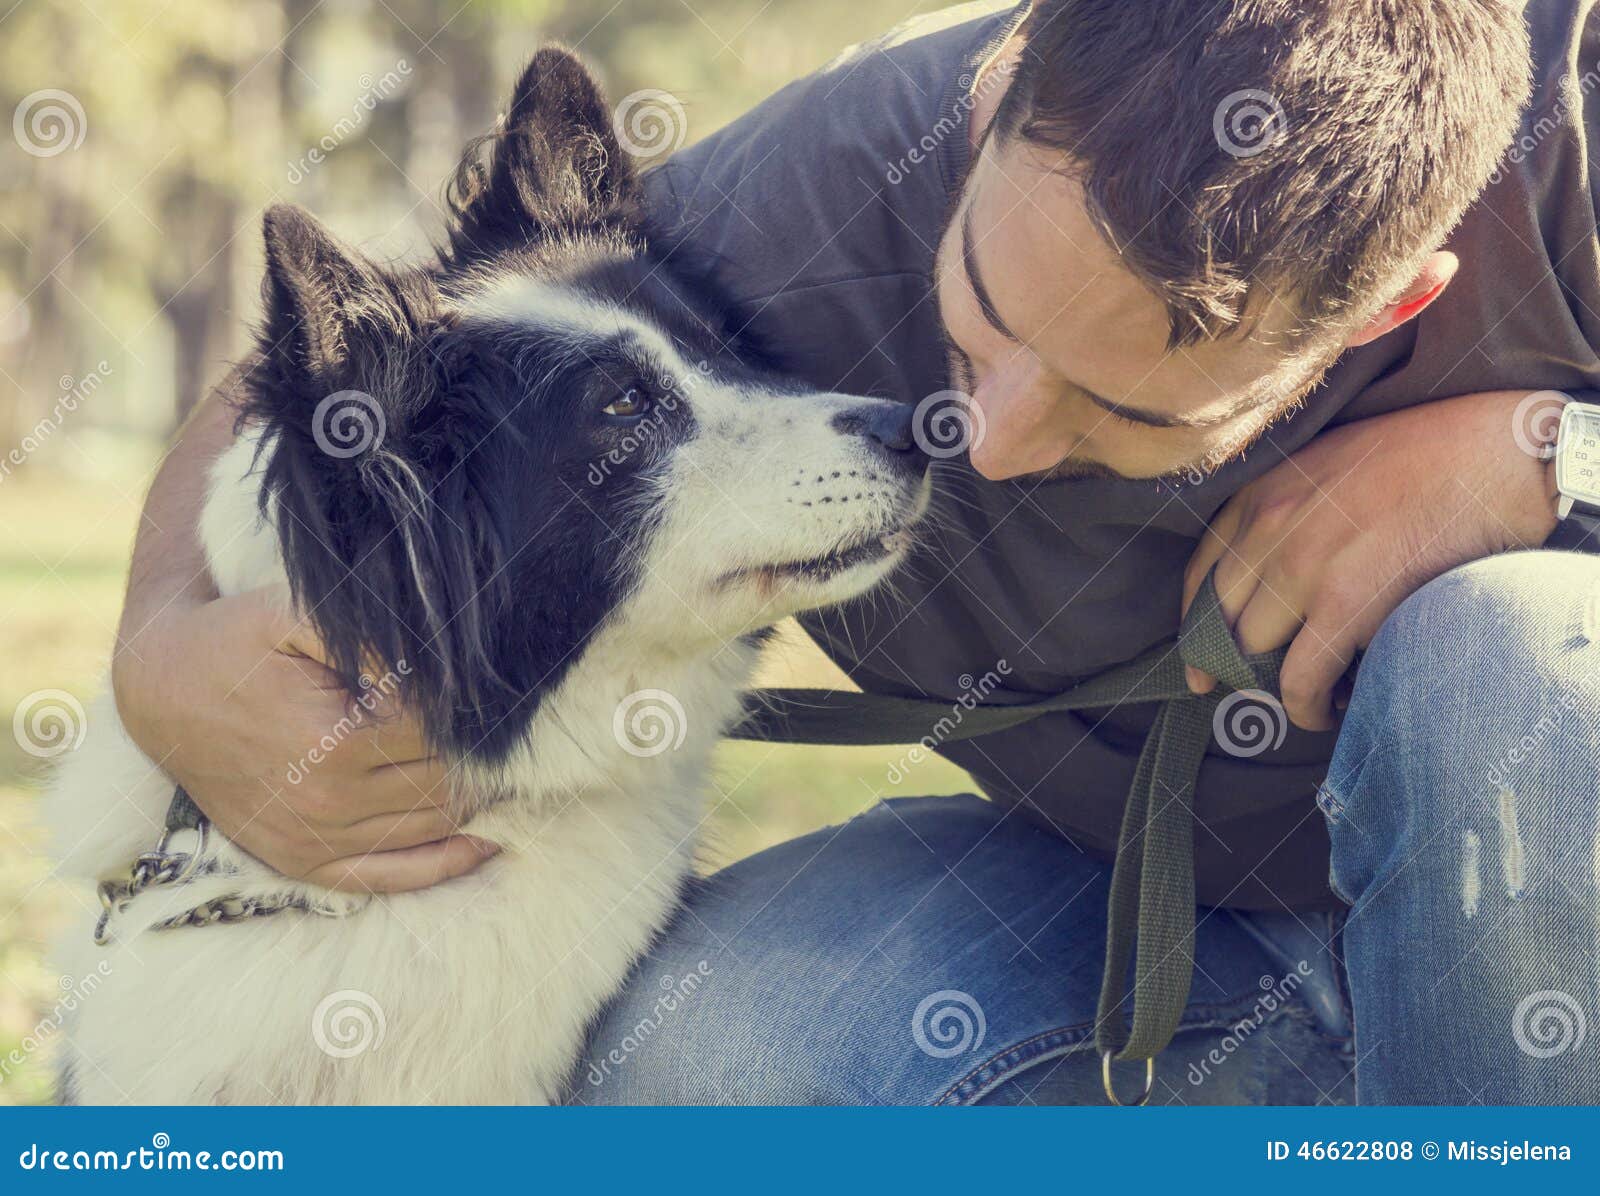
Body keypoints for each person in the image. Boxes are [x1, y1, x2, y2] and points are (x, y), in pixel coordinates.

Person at [113, 0, 1600, 1104]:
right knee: (695, 1068)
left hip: (1558, 942)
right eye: (982, 324)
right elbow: (390, 350)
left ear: (1389, 309)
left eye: (1121, 410)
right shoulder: (813, 189)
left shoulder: (1572, 142)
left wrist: (1539, 451)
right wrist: (158, 646)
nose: (988, 442)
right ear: (999, 92)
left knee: (1509, 660)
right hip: (1146, 941)